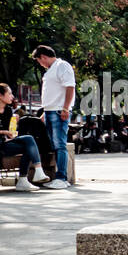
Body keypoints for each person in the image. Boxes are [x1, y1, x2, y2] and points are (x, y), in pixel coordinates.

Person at [0, 83, 48, 192]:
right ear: (0, 96)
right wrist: (3, 132)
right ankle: (26, 178)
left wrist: (9, 135)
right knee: (27, 144)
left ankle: (30, 176)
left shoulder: (7, 110)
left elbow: (6, 132)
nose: (12, 96)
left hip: (1, 142)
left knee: (28, 140)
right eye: (9, 93)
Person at [30, 46, 74, 189]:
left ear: (43, 56)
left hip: (58, 110)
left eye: (39, 61)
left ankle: (62, 177)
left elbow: (70, 87)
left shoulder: (62, 66)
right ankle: (59, 176)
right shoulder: (51, 70)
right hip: (51, 110)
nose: (40, 64)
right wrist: (46, 111)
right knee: (55, 144)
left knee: (60, 144)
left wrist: (65, 107)